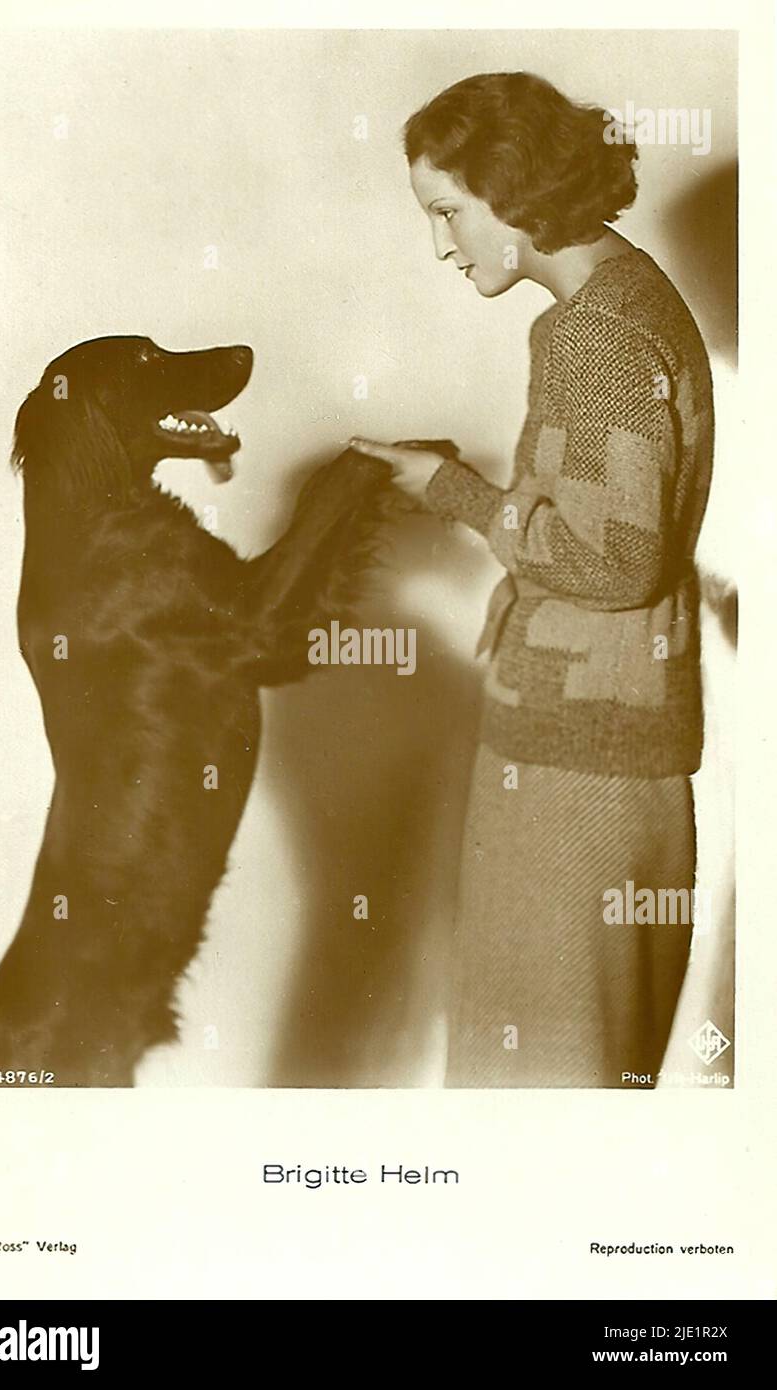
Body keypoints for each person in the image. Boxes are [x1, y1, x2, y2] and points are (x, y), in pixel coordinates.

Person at [349, 71, 715, 1088]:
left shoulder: (588, 332)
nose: (440, 246)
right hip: (611, 748)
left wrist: (455, 492)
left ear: (507, 187)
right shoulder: (629, 294)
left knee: (537, 1102)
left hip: (574, 766)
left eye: (447, 212)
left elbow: (613, 560)